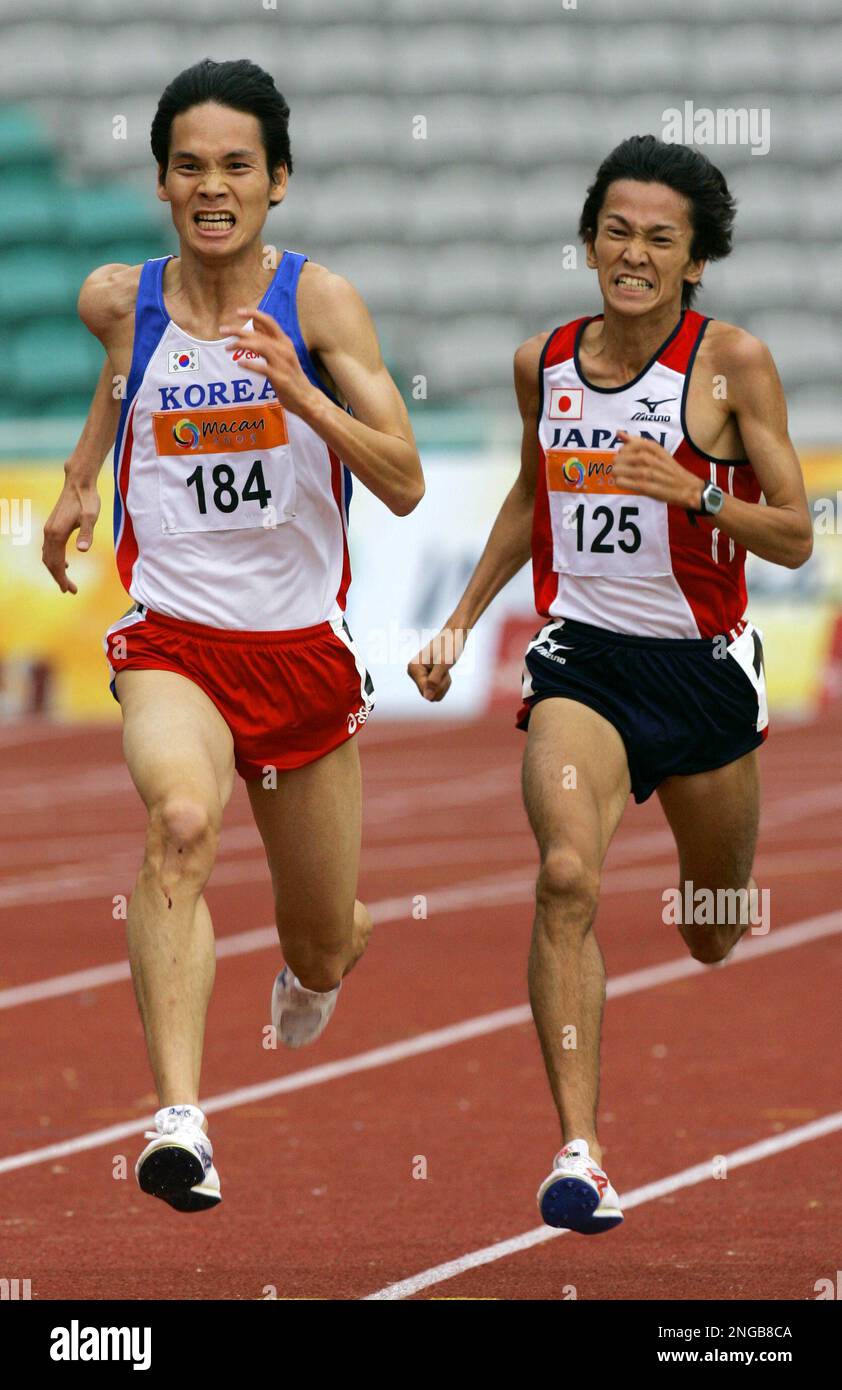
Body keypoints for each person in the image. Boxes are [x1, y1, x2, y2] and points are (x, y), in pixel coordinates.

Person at [408, 134, 812, 1235]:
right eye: (614, 231)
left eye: (657, 239)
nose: (630, 254)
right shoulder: (542, 359)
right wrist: (455, 622)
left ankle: (708, 908)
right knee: (563, 874)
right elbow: (528, 501)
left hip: (701, 678)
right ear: (588, 239)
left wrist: (696, 493)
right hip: (581, 658)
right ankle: (578, 1154)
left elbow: (794, 537)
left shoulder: (729, 361)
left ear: (692, 260)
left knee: (712, 924)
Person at [42, 58, 424, 1213]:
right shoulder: (120, 297)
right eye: (191, 165)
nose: (214, 186)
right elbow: (121, 380)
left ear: (278, 182)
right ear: (162, 181)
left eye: (237, 167)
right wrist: (76, 483)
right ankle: (180, 1121)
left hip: (301, 652)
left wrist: (301, 393)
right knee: (182, 821)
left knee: (321, 942)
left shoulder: (321, 305)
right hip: (176, 639)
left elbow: (402, 479)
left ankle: (319, 960)